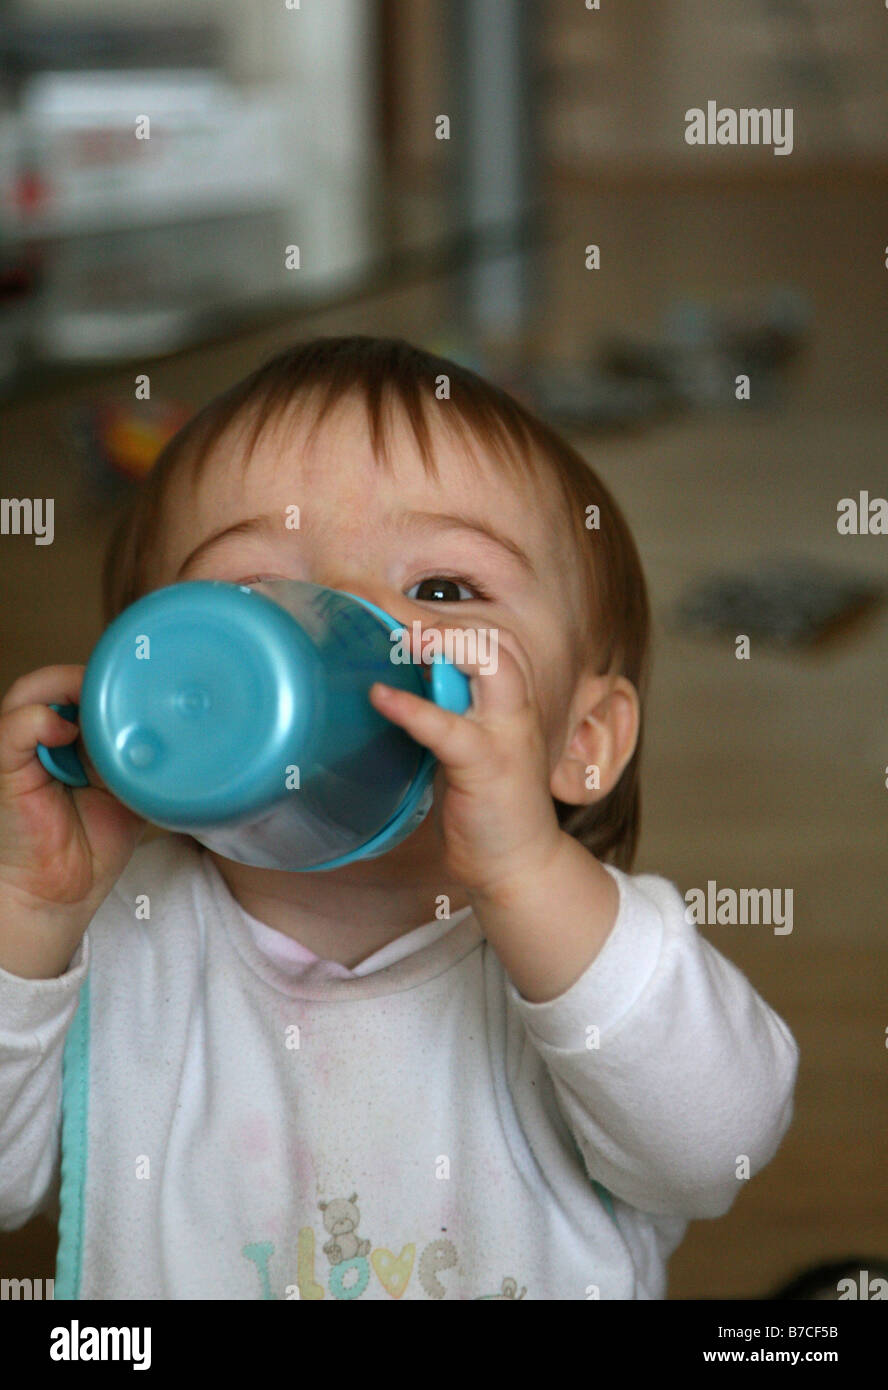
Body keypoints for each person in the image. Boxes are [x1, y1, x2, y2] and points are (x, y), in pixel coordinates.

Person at [0, 336, 798, 1299]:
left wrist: (527, 878)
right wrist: (27, 915)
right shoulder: (120, 946)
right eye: (256, 594)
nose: (345, 621)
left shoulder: (588, 966)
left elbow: (719, 1152)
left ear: (582, 737)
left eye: (443, 590)